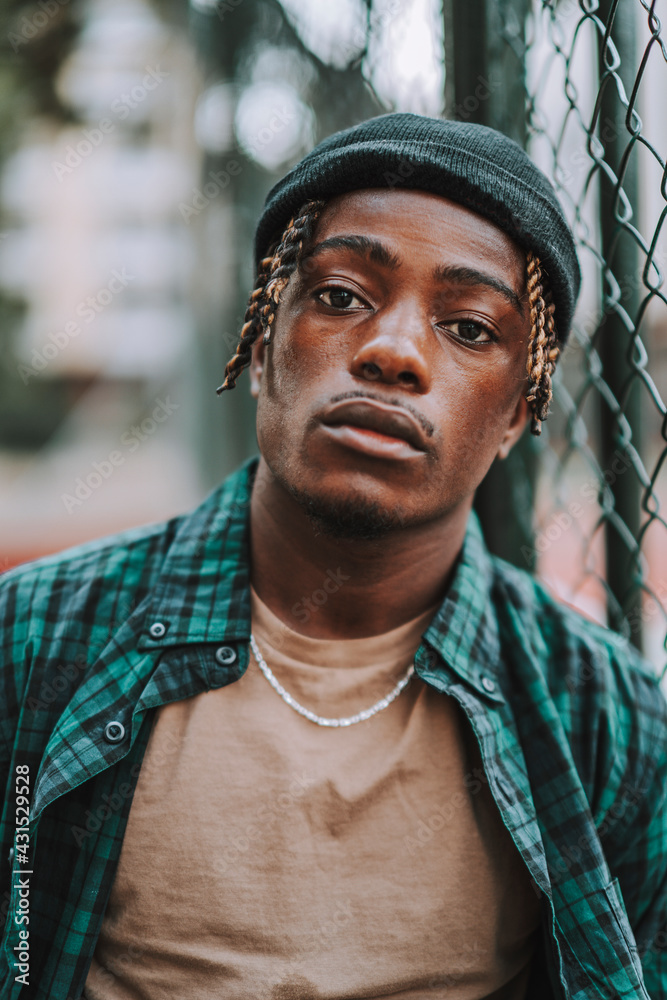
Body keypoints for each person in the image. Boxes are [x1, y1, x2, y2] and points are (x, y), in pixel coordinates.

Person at [1, 113, 665, 1000]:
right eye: (341, 296)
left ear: (514, 416)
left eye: (468, 326)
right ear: (263, 342)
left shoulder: (607, 717)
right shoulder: (33, 638)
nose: (391, 352)